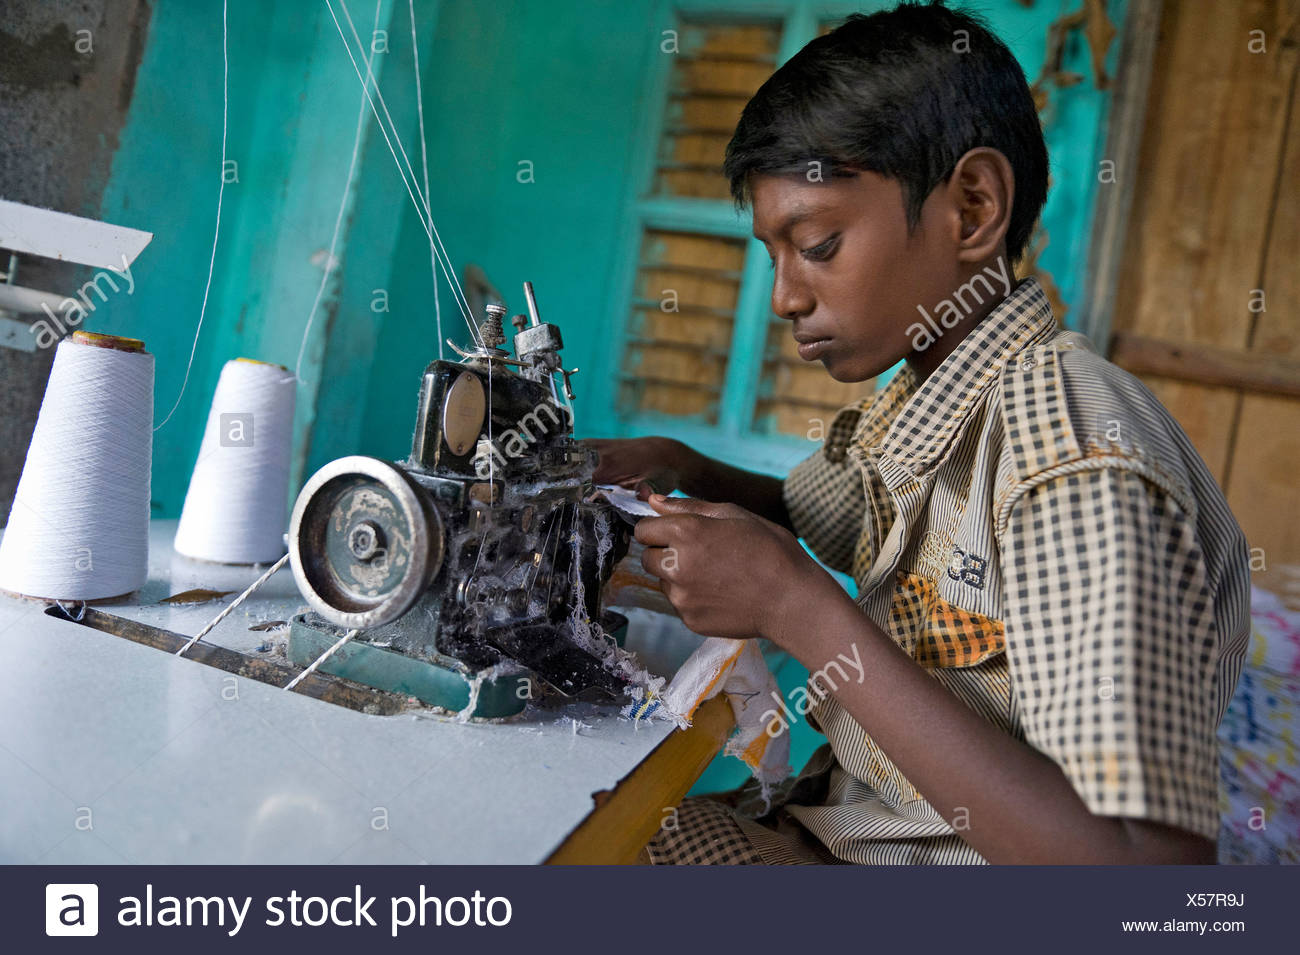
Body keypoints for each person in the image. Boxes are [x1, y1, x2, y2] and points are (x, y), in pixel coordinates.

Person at [589, 1, 1250, 864]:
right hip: (854, 827)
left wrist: (799, 608)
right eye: (774, 255)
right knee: (596, 827)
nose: (786, 297)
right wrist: (682, 468)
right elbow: (807, 511)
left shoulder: (1072, 462)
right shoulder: (926, 395)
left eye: (819, 244)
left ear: (972, 208)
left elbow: (1144, 879)